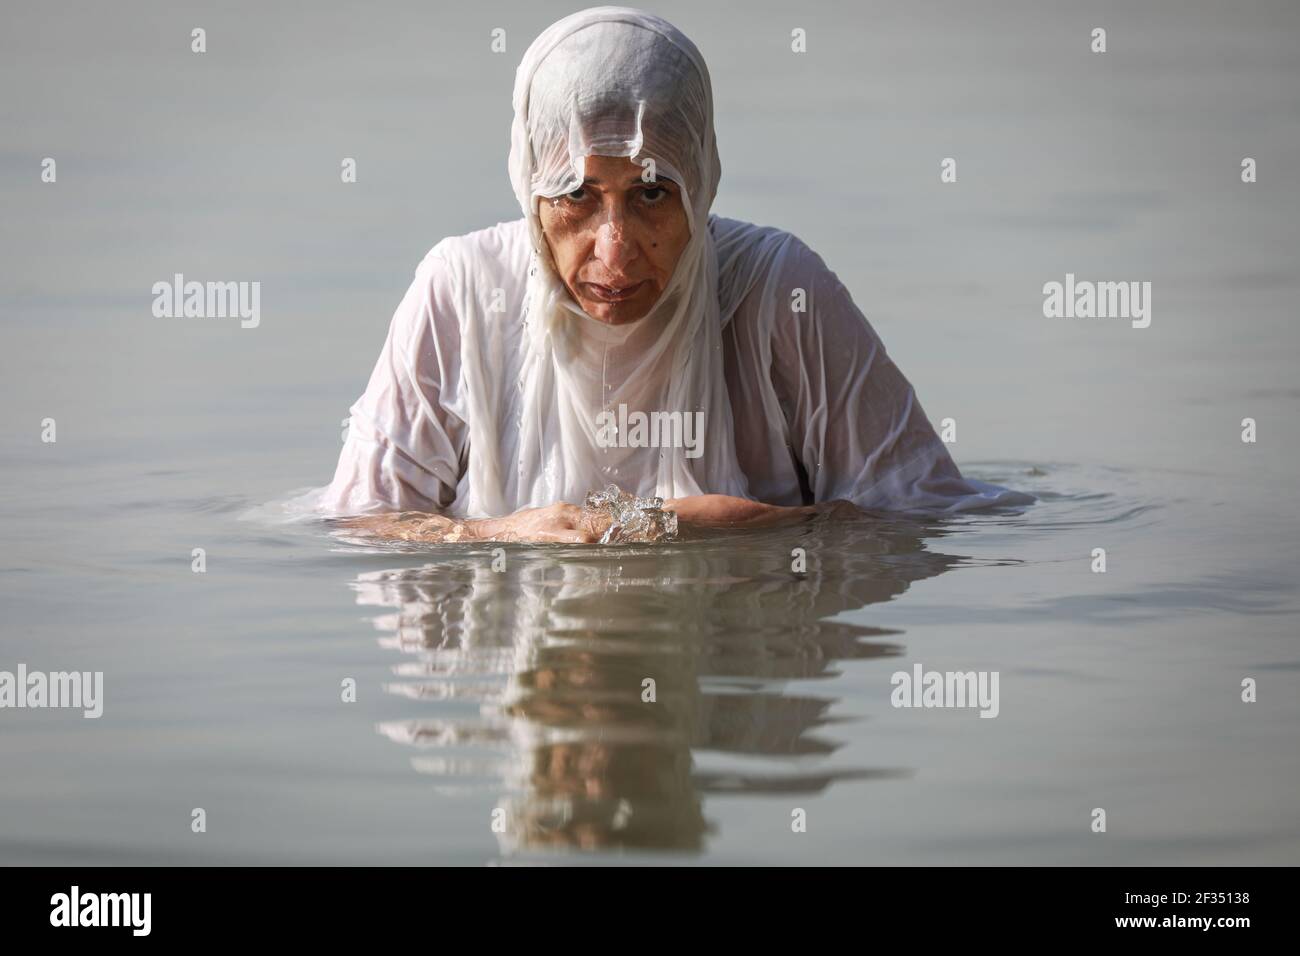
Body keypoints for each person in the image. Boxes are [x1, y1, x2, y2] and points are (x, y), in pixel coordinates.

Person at [316, 6, 1034, 544]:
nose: (615, 253)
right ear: (530, 189)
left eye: (653, 194)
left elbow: (929, 519)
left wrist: (748, 528)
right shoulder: (464, 293)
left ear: (703, 183)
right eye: (576, 195)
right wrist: (498, 535)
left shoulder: (777, 291)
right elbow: (358, 524)